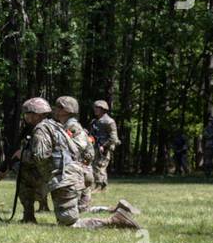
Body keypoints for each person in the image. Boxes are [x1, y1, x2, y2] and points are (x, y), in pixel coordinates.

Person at [14, 98, 138, 229]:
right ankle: (28, 216)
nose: (25, 116)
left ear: (36, 115)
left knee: (69, 224)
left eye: (27, 113)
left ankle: (115, 220)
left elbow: (41, 156)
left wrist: (21, 154)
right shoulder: (55, 126)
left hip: (64, 179)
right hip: (67, 175)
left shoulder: (41, 129)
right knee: (24, 174)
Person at [53, 96, 95, 212]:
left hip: (81, 172)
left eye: (58, 107)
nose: (55, 110)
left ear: (65, 110)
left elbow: (76, 149)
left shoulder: (73, 126)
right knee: (80, 210)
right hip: (80, 172)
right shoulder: (66, 125)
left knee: (80, 210)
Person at [88, 100, 119, 191]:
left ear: (103, 109)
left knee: (100, 166)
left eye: (97, 108)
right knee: (95, 166)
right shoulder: (95, 121)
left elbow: (113, 137)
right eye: (95, 108)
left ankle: (100, 186)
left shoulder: (109, 121)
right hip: (95, 146)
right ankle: (100, 186)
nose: (95, 110)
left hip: (104, 148)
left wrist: (104, 146)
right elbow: (91, 134)